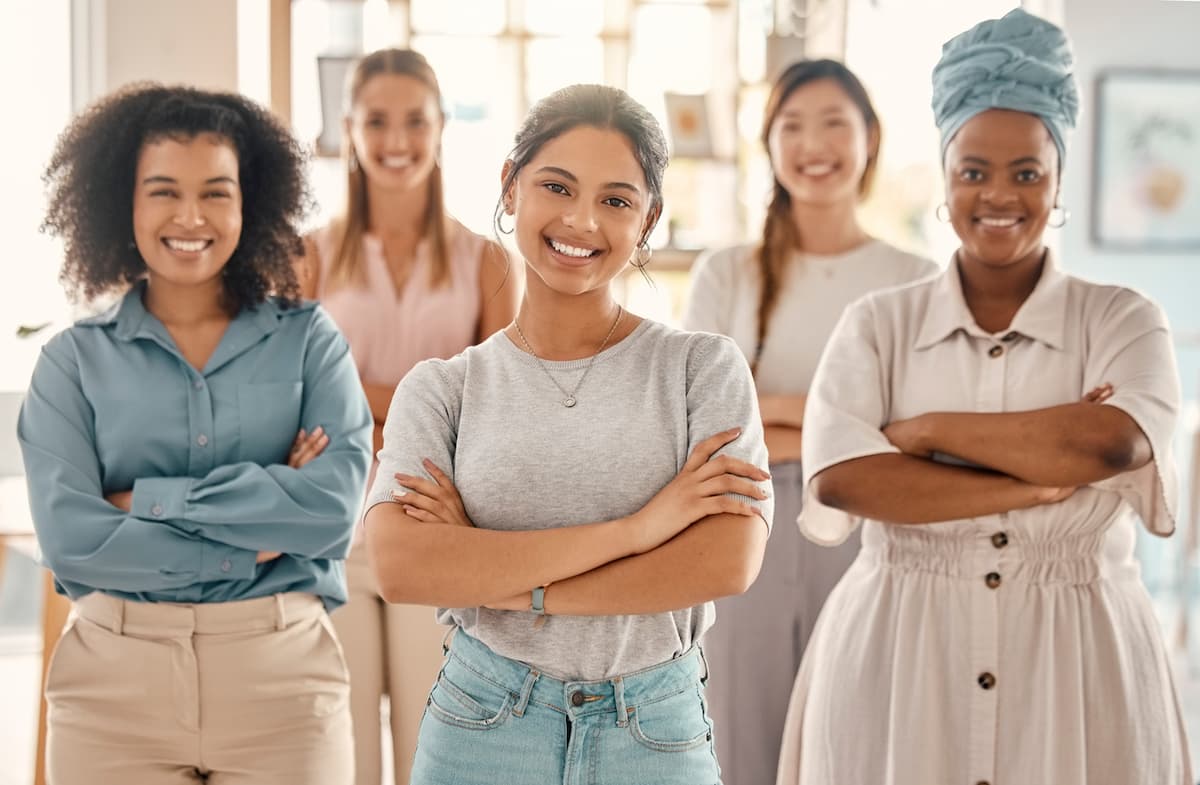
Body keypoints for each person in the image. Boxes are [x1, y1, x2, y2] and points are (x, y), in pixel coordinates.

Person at [775, 10, 1191, 785]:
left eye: (1026, 172)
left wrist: (925, 430)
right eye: (974, 170)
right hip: (900, 655)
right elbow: (846, 478)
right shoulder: (878, 323)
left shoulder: (1124, 318)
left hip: (1079, 657)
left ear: (1059, 175)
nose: (998, 194)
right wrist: (1035, 473)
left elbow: (1111, 444)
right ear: (945, 174)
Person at [363, 84, 774, 785]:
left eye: (616, 200)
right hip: (482, 722)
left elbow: (725, 560)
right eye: (557, 186)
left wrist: (498, 579)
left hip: (653, 727)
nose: (581, 220)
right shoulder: (443, 388)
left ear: (648, 220)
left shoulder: (698, 369)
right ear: (511, 188)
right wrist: (642, 528)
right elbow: (402, 566)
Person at [19, 84, 373, 785]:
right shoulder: (71, 362)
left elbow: (332, 510)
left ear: (251, 201)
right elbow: (74, 541)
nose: (190, 215)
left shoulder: (310, 343)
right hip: (112, 694)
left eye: (216, 191)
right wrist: (262, 525)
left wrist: (141, 500)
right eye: (162, 191)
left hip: (282, 685)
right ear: (123, 203)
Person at [681, 58, 936, 785]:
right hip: (738, 517)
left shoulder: (914, 278)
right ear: (769, 143)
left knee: (855, 738)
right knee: (738, 740)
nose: (813, 144)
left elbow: (916, 433)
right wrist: (845, 419)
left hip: (869, 528)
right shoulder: (725, 272)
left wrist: (774, 409)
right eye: (791, 125)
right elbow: (702, 419)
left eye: (833, 123)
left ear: (870, 138)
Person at [296, 48, 519, 785]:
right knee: (342, 751)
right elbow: (292, 396)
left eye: (415, 120)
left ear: (443, 127)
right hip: (331, 526)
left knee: (438, 752)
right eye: (377, 121)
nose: (397, 140)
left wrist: (357, 399)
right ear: (348, 130)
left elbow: (495, 402)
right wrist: (427, 401)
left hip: (436, 524)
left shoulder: (486, 260)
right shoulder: (310, 257)